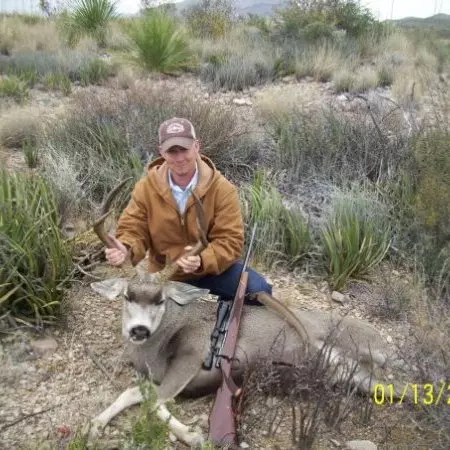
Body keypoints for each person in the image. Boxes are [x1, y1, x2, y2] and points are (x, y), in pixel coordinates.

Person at [105, 117, 271, 305]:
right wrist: (125, 248)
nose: (179, 158)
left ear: (196, 146)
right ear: (162, 152)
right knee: (148, 322)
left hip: (212, 270)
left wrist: (202, 259)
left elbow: (231, 241)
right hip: (165, 275)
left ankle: (225, 316)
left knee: (258, 291)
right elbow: (133, 229)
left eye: (184, 149)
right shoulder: (146, 188)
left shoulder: (222, 189)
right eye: (172, 151)